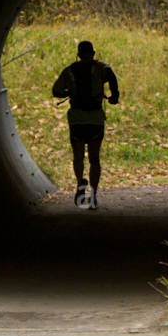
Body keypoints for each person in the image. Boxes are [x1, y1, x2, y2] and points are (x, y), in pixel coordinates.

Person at [52, 40, 120, 209]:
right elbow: (113, 81)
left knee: (78, 156)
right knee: (94, 158)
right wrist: (113, 97)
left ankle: (80, 182)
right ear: (93, 53)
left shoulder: (70, 71)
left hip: (76, 119)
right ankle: (94, 195)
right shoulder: (102, 68)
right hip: (95, 119)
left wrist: (70, 92)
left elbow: (56, 91)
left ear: (78, 54)